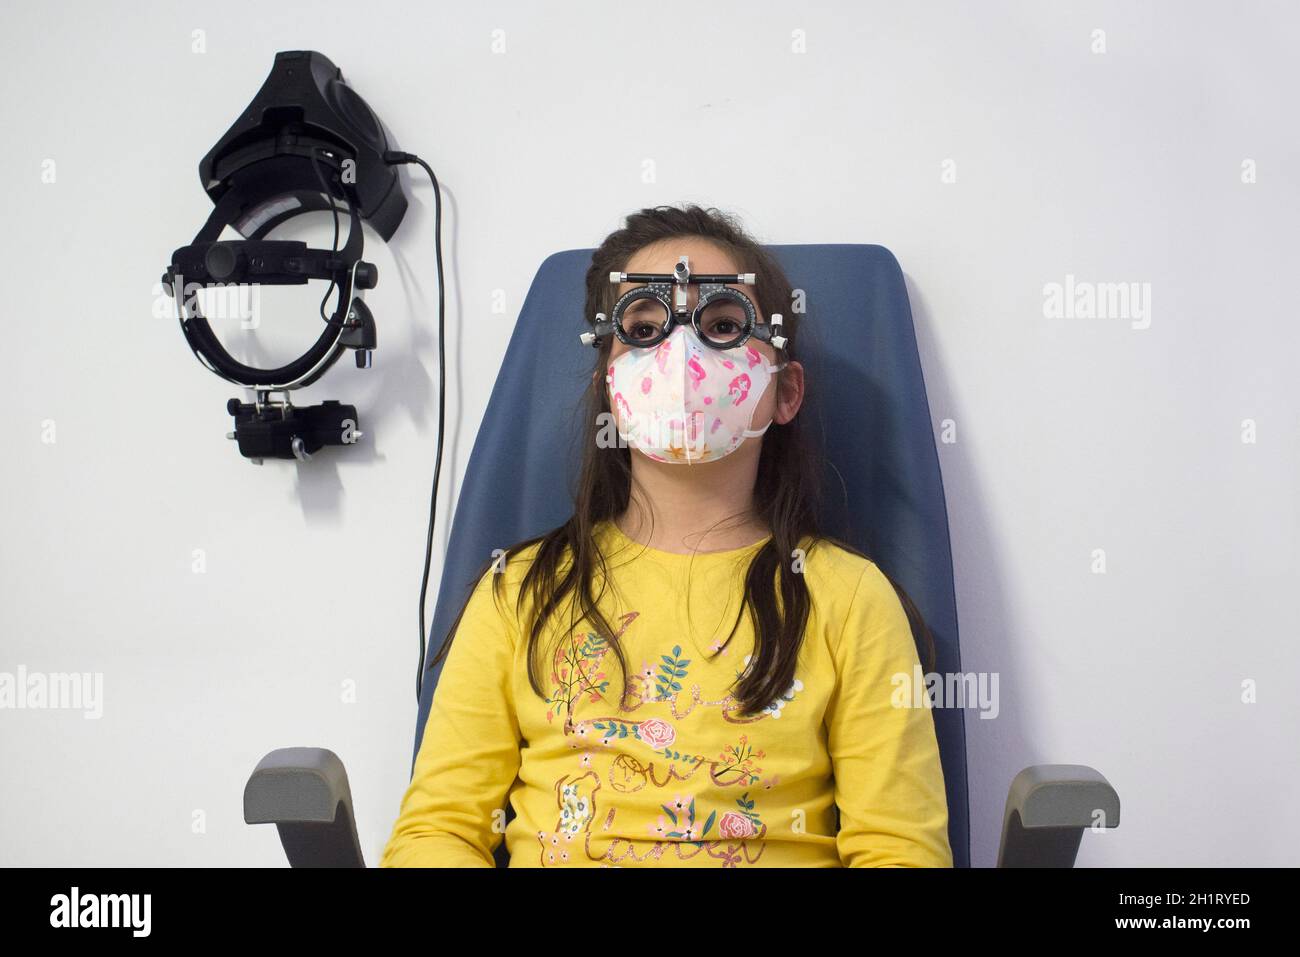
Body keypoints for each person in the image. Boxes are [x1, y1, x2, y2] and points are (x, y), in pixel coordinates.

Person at [380, 203, 952, 867]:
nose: (681, 353)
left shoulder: (850, 600)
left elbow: (900, 849)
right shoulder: (519, 593)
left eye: (723, 325)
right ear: (610, 387)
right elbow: (438, 830)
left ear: (785, 389)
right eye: (645, 327)